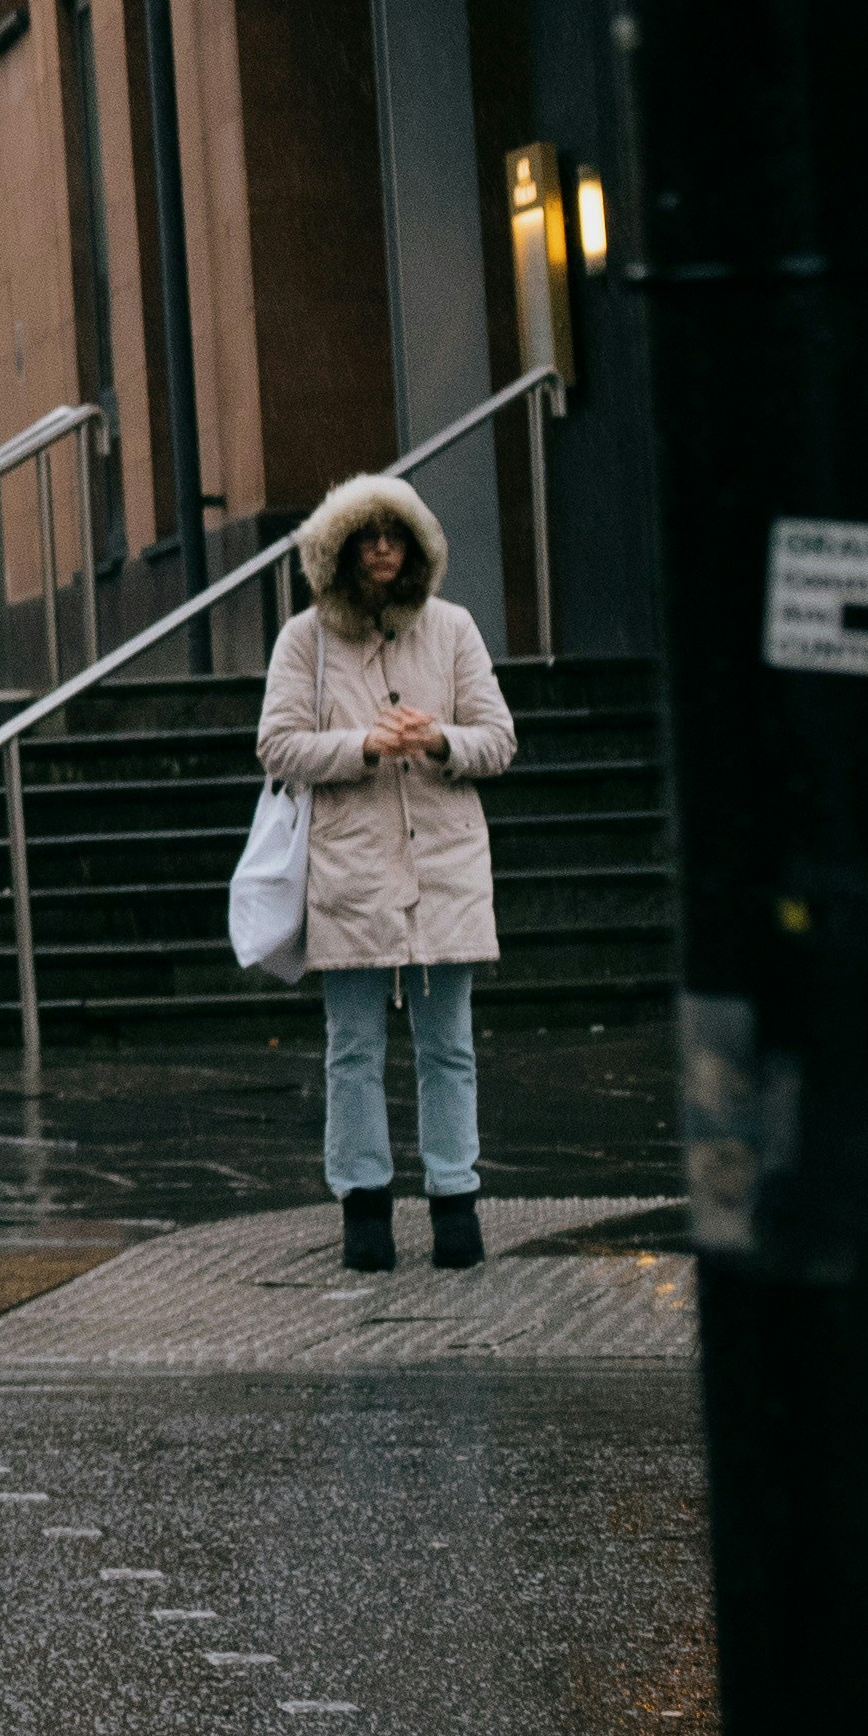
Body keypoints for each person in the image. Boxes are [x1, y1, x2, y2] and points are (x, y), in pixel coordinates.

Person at [255, 471, 518, 1269]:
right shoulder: (305, 639)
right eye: (367, 538)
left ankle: (454, 1204)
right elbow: (276, 744)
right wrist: (360, 746)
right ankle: (364, 1208)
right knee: (354, 1049)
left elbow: (499, 738)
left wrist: (438, 738)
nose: (381, 550)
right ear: (337, 552)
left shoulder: (455, 629)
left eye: (394, 537)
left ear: (416, 550)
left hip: (444, 870)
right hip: (351, 875)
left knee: (450, 1049)